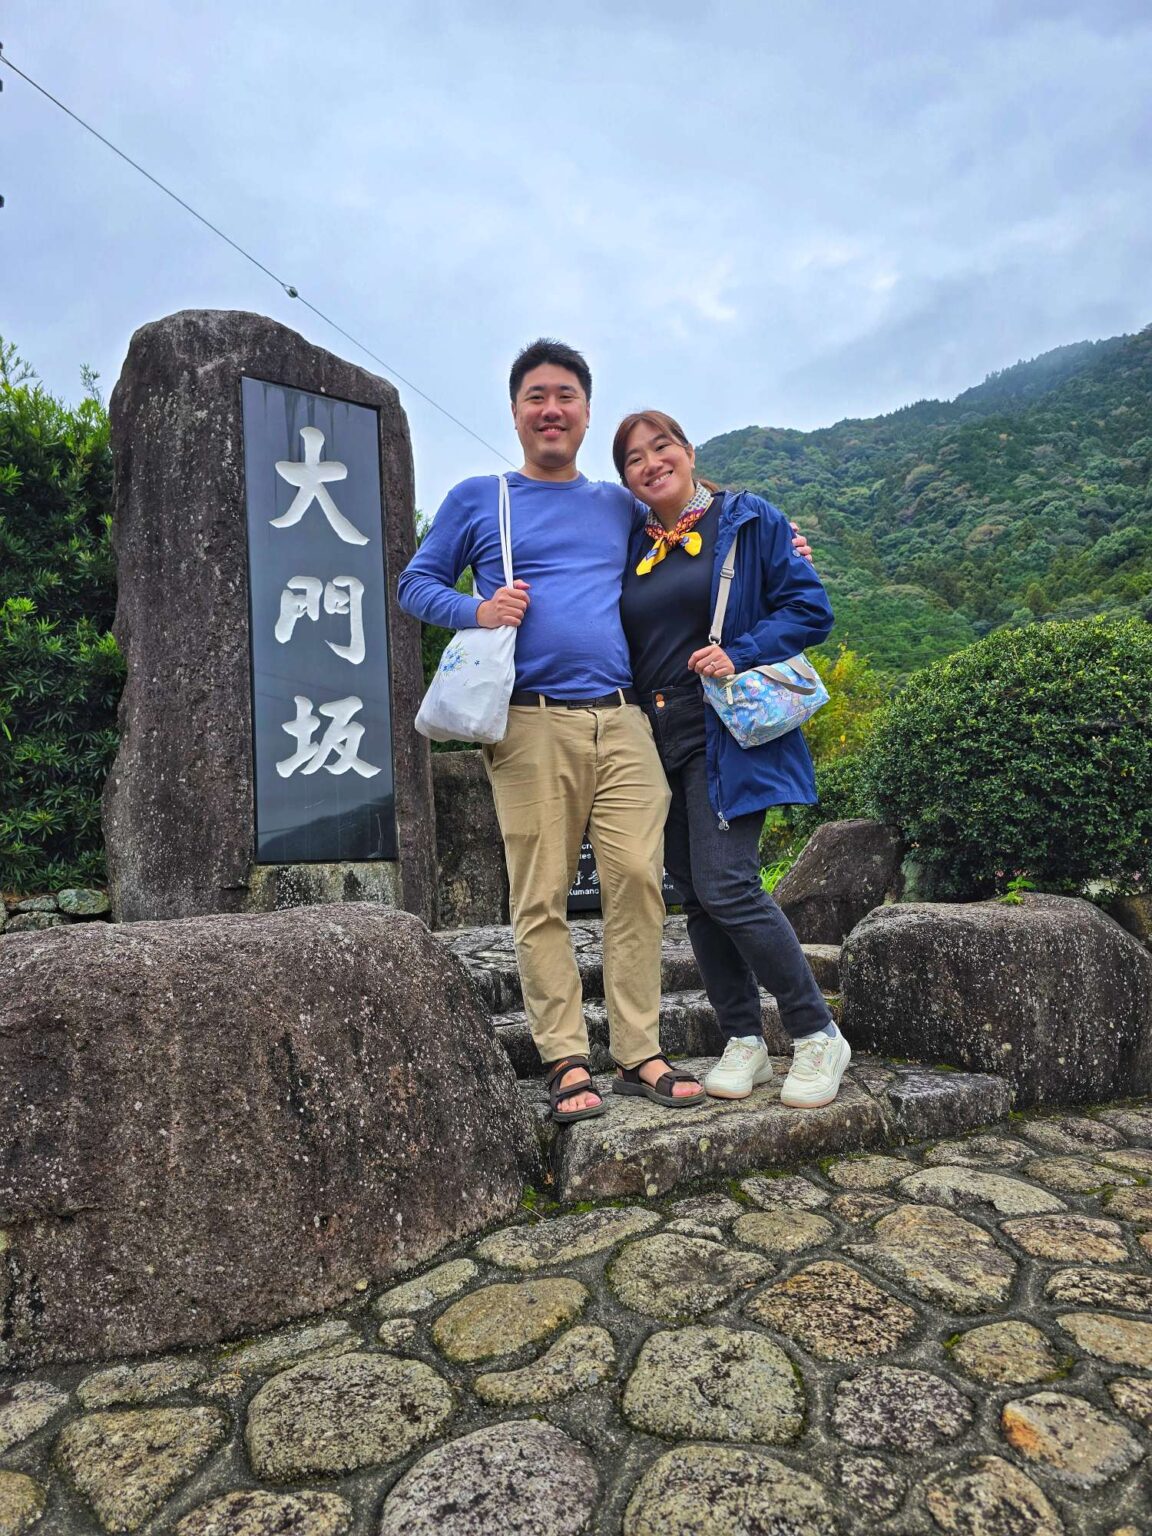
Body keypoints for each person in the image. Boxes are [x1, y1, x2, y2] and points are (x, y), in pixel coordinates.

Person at [397, 340, 709, 1123]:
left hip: (625, 716)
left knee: (638, 878)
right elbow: (413, 583)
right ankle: (567, 1057)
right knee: (539, 897)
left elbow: (695, 523)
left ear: (585, 411)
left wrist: (782, 544)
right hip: (529, 724)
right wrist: (478, 608)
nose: (551, 410)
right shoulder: (481, 497)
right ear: (515, 412)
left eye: (565, 395)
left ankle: (639, 1049)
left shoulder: (615, 503)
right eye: (536, 396)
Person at [614, 408, 852, 1108]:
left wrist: (738, 651)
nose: (651, 463)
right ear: (625, 479)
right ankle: (743, 1039)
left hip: (725, 726)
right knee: (695, 892)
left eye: (662, 448)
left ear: (688, 453)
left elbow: (810, 610)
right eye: (634, 458)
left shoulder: (748, 521)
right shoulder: (634, 544)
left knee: (728, 884)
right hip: (657, 735)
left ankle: (815, 1033)